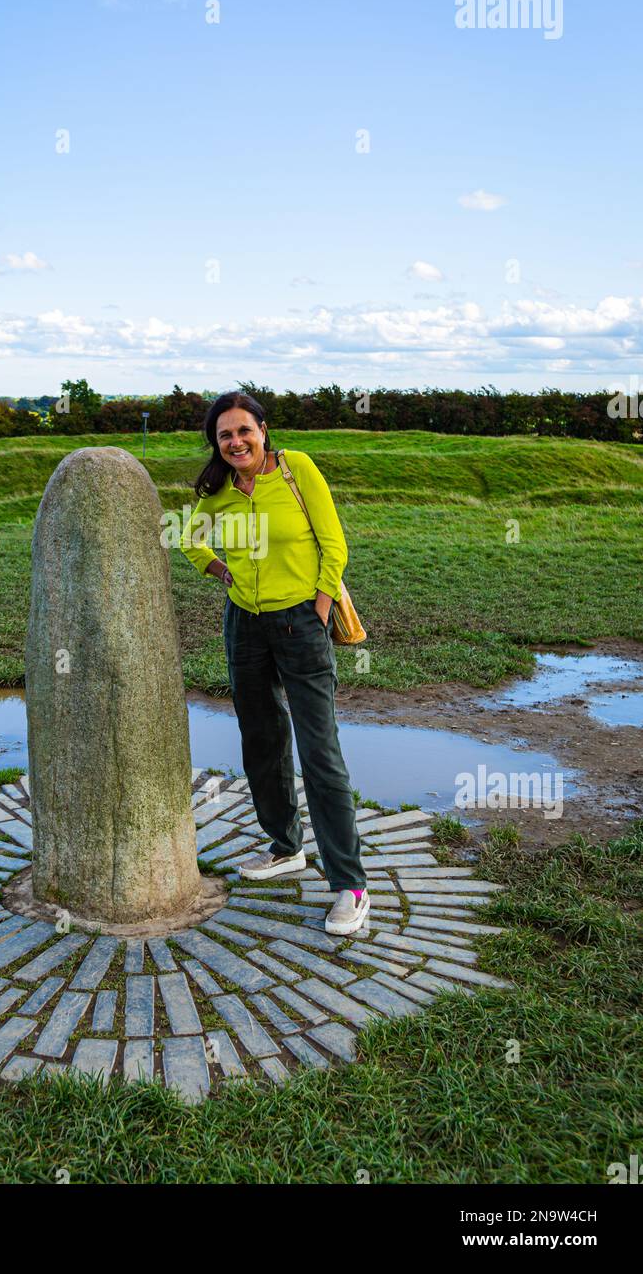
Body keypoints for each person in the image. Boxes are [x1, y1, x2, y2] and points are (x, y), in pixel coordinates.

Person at [179, 390, 369, 936]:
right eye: (224, 435)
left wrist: (322, 604)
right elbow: (190, 540)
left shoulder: (297, 470)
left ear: (263, 430)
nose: (236, 441)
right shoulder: (218, 490)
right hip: (244, 626)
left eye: (244, 430)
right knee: (260, 739)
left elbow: (333, 544)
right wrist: (220, 571)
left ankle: (351, 886)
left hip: (300, 624)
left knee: (319, 751)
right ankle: (286, 847)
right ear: (216, 443)